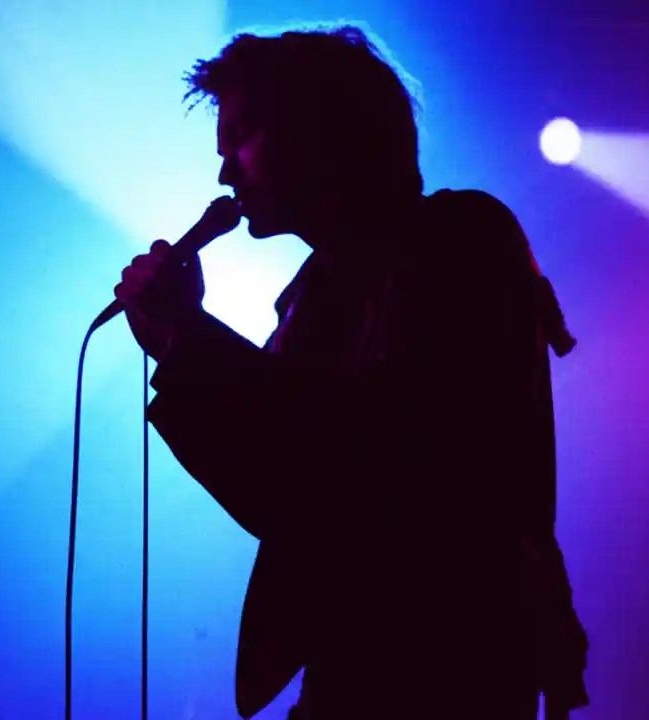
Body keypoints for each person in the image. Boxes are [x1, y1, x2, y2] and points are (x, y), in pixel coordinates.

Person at [113, 24, 588, 720]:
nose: (224, 174)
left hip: (446, 671)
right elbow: (279, 491)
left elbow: (366, 466)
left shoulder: (463, 240)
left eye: (243, 135)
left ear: (321, 129)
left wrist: (192, 339)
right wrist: (184, 346)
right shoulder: (313, 299)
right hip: (351, 673)